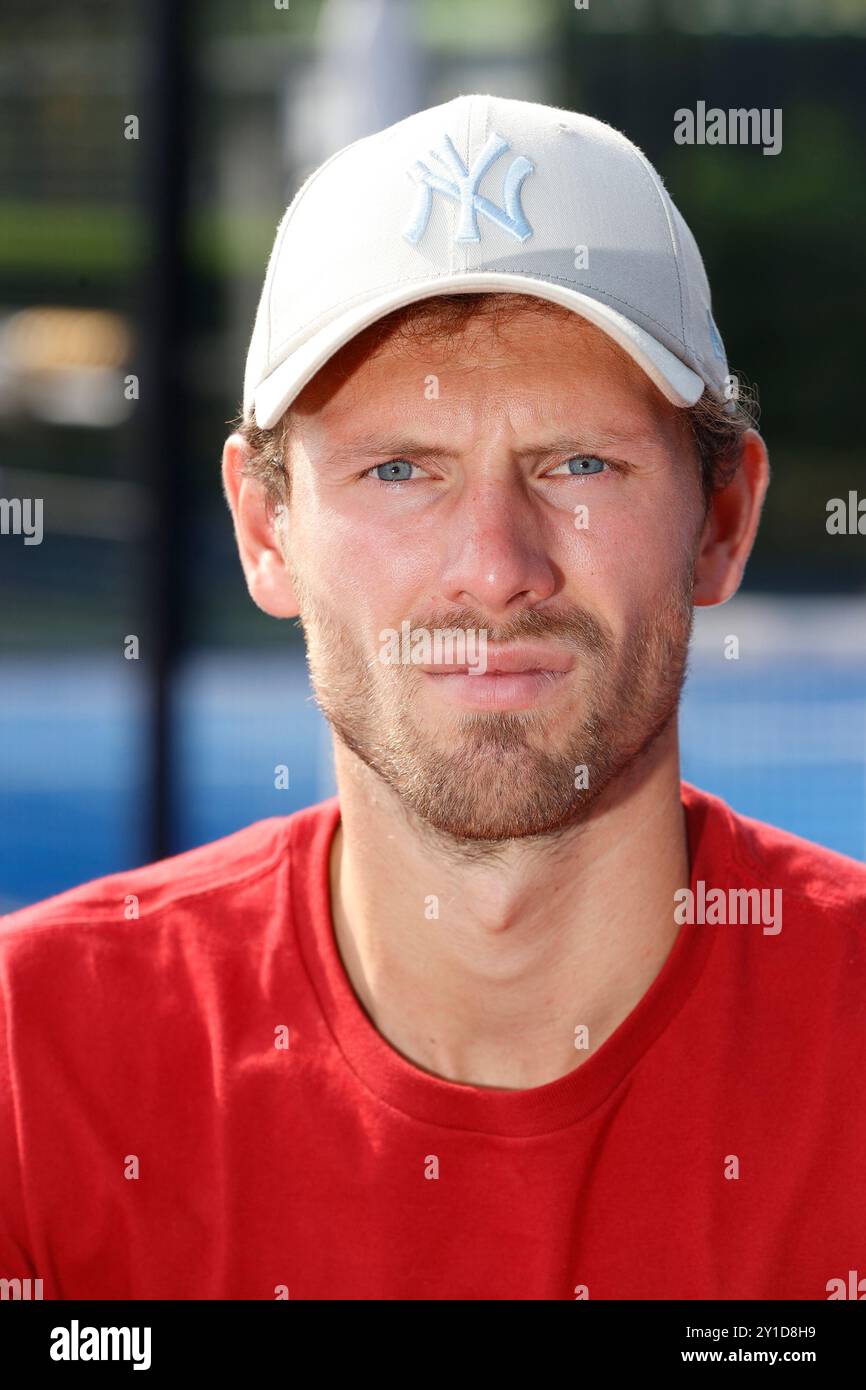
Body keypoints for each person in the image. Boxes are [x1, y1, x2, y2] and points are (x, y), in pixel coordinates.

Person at [2, 95, 864, 1302]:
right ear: (266, 527)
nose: (495, 564)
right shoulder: (27, 1073)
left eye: (578, 462)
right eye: (398, 468)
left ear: (721, 519)